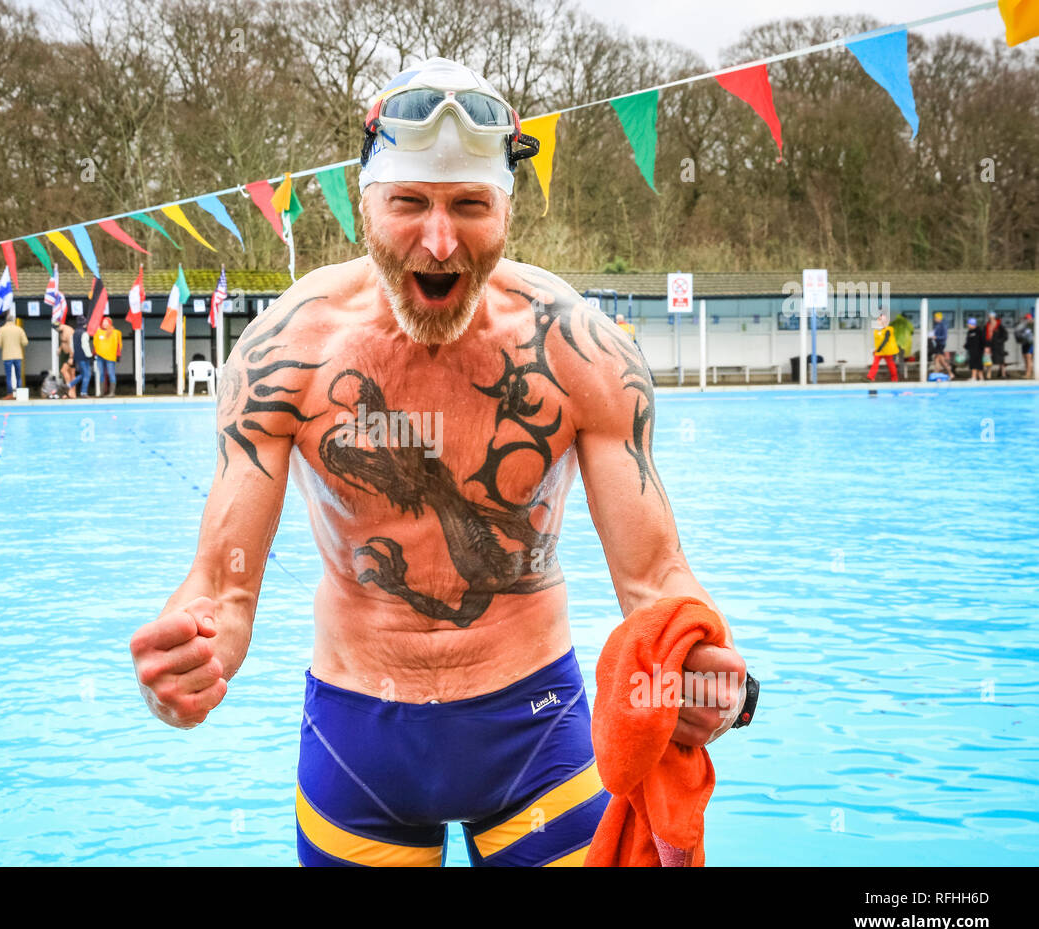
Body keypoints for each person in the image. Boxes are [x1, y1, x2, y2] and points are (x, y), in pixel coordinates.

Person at [128, 58, 749, 868]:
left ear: (508, 208)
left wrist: (697, 657)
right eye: (410, 203)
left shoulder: (581, 352)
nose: (440, 240)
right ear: (365, 203)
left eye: (469, 206)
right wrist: (193, 654)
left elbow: (656, 577)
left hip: (538, 734)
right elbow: (223, 584)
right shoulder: (286, 352)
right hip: (360, 742)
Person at [0, 316, 29, 398]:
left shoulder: (2, 330)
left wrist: (4, 345)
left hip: (7, 356)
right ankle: (20, 395)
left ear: (6, 320)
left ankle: (10, 394)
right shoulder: (19, 329)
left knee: (8, 376)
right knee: (18, 376)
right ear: (13, 321)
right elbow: (25, 342)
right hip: (18, 355)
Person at [865, 310, 899, 382]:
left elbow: (886, 340)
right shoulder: (876, 331)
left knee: (891, 365)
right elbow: (878, 341)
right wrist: (876, 349)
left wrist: (878, 349)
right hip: (879, 351)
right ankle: (870, 377)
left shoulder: (888, 329)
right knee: (875, 363)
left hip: (888, 351)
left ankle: (894, 379)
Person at [93, 316, 121, 397]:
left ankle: (112, 392)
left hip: (110, 357)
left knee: (111, 373)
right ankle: (101, 392)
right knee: (101, 373)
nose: (104, 323)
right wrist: (94, 353)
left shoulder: (115, 332)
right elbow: (95, 344)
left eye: (106, 322)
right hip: (100, 356)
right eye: (103, 322)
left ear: (110, 323)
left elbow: (118, 344)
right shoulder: (98, 332)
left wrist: (118, 355)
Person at [68, 321, 94, 397]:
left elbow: (72, 345)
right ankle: (83, 392)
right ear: (85, 324)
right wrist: (90, 356)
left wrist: (74, 354)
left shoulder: (74, 333)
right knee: (87, 374)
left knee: (83, 374)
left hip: (77, 357)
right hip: (85, 357)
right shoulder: (84, 333)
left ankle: (69, 385)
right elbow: (85, 346)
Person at [983, 311, 1007, 379]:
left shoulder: (1000, 326)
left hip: (998, 346)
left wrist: (999, 341)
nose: (990, 319)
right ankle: (988, 374)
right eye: (989, 317)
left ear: (994, 317)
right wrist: (985, 344)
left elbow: (1005, 336)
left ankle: (1003, 374)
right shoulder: (987, 325)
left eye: (992, 317)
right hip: (989, 345)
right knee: (989, 360)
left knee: (1001, 360)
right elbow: (984, 335)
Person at [964, 316, 986, 381]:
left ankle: (977, 377)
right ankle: (977, 377)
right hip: (971, 350)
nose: (968, 325)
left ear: (973, 324)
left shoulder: (979, 331)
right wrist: (966, 346)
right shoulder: (969, 332)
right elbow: (968, 341)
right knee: (973, 363)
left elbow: (983, 340)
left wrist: (984, 348)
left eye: (969, 324)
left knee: (978, 363)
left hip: (979, 350)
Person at [929, 312, 951, 377]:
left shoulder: (943, 325)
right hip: (937, 344)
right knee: (939, 360)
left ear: (939, 318)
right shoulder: (937, 325)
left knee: (938, 359)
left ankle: (937, 373)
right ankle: (949, 373)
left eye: (935, 317)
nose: (934, 319)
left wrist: (936, 337)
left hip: (941, 344)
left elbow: (945, 336)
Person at [1017, 313, 1035, 379]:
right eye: (1026, 319)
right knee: (1025, 359)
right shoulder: (1024, 325)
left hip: (1030, 344)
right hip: (1024, 344)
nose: (1027, 320)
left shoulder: (1033, 325)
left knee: (1029, 358)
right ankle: (1027, 372)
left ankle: (1028, 373)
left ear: (1031, 319)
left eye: (1028, 318)